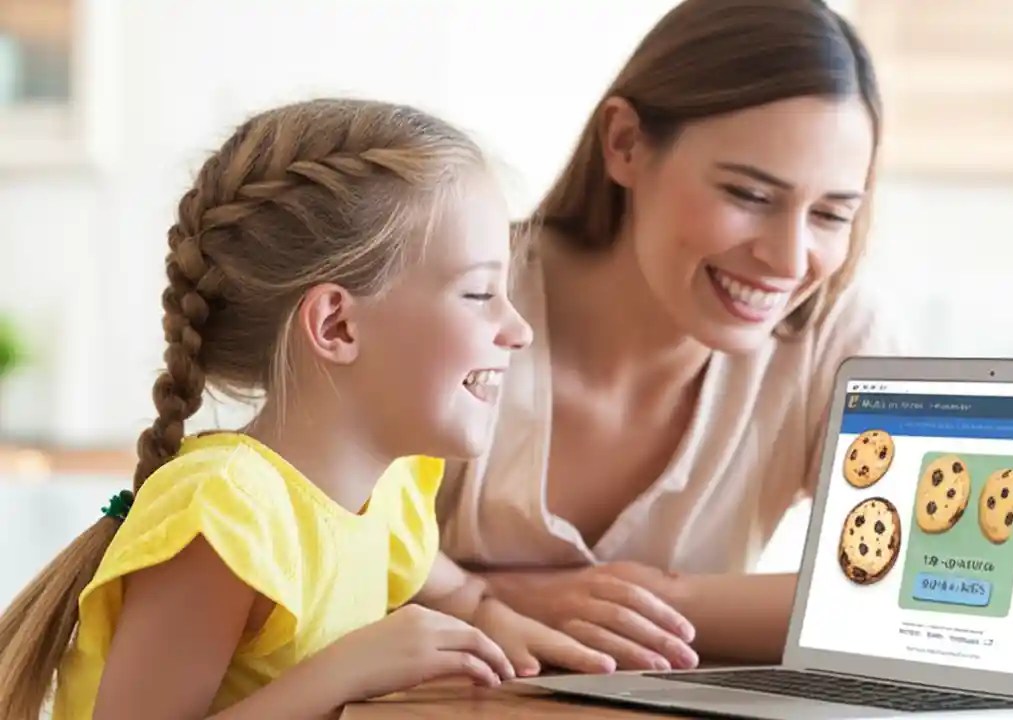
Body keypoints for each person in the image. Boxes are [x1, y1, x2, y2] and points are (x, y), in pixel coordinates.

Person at [0, 98, 612, 720]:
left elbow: (468, 597)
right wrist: (345, 671)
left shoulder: (389, 492)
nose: (518, 330)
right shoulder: (225, 517)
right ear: (337, 324)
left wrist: (527, 641)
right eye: (480, 292)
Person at [426, 0, 902, 672]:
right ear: (624, 144)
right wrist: (490, 600)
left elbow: (907, 602)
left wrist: (639, 602)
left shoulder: (832, 335)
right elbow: (314, 562)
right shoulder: (455, 299)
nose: (791, 261)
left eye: (830, 213)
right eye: (750, 196)